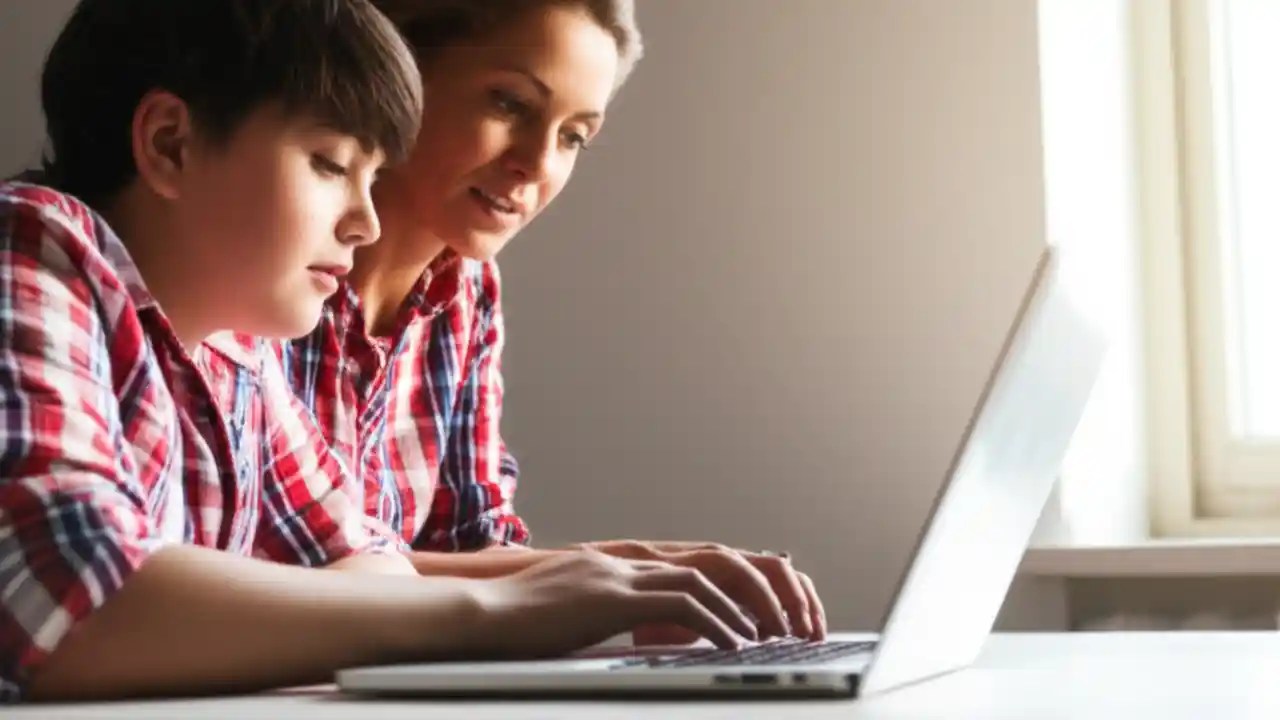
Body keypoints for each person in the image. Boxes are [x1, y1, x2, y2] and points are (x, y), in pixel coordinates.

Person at [1, 0, 755, 703]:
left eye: (575, 136)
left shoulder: (236, 355)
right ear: (171, 144)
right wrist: (496, 607)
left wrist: (586, 584)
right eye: (331, 165)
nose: (361, 223)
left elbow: (369, 561)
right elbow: (76, 600)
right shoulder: (35, 247)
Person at [282, 0, 828, 645]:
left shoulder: (466, 292)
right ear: (398, 77)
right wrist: (616, 574)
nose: (538, 164)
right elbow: (277, 565)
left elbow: (468, 545)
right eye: (510, 104)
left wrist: (647, 572)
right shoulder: (268, 274)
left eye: (573, 137)